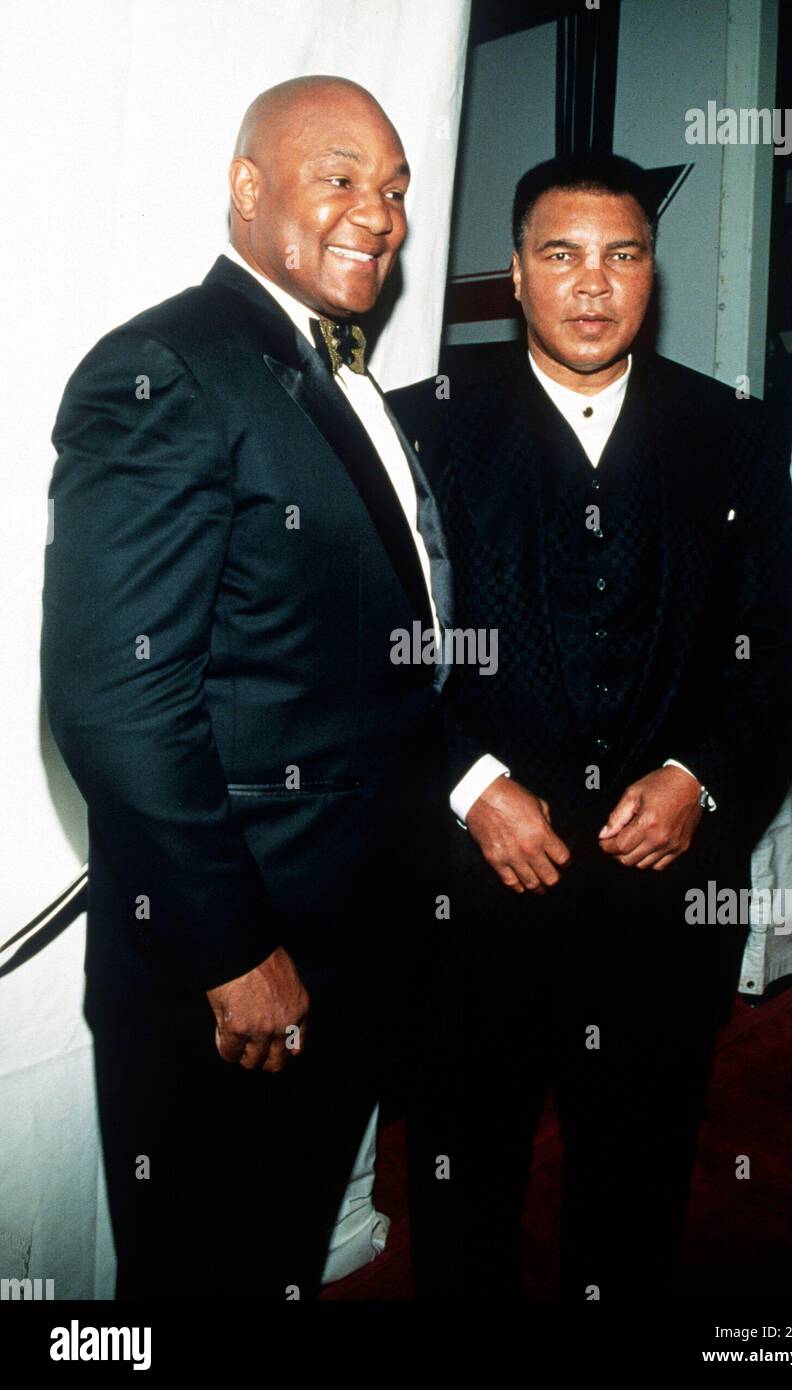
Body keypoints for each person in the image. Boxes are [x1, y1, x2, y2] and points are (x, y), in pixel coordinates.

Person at [41, 75, 450, 1301]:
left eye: (393, 189)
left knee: (272, 1262)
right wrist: (231, 952)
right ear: (246, 186)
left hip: (349, 945)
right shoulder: (165, 367)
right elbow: (117, 699)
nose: (375, 212)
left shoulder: (335, 373)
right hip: (234, 975)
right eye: (339, 177)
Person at [392, 154, 792, 1301]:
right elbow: (362, 655)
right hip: (470, 899)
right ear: (514, 276)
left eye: (620, 255)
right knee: (459, 1172)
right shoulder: (418, 424)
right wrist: (470, 786)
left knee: (635, 1176)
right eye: (561, 255)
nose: (591, 284)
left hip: (660, 904)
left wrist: (698, 776)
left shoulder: (729, 432)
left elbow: (771, 657)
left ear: (650, 272)